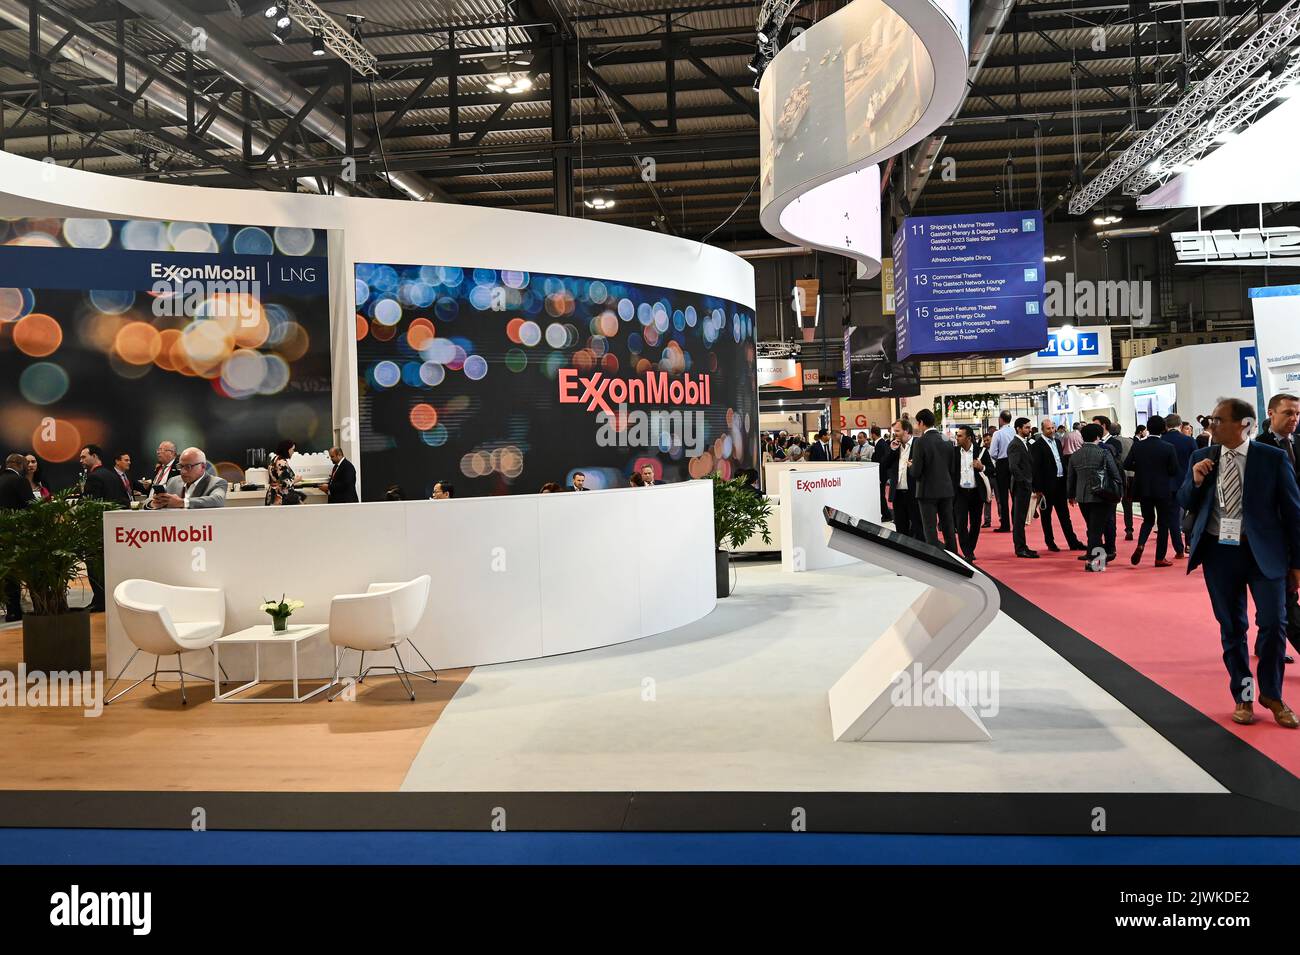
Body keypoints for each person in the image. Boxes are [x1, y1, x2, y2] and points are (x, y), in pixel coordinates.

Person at [1180, 397, 1300, 729]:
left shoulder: (1271, 459)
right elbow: (1184, 500)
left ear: (1243, 424)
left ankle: (1272, 695)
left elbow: (1293, 513)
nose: (1211, 425)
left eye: (1218, 419)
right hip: (1219, 554)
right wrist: (1196, 480)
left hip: (1266, 554)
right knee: (1233, 629)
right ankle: (1244, 695)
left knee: (1275, 624)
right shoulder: (1201, 456)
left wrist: (1297, 563)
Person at [1255, 393, 1300, 662]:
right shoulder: (1259, 448)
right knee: (1284, 597)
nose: (1294, 418)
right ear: (1271, 414)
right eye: (1288, 413)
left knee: (1280, 598)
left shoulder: (1299, 443)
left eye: (1296, 413)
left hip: (1296, 532)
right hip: (1274, 537)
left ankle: (1266, 644)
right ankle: (1273, 644)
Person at [1125, 414, 1181, 567]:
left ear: (1147, 429)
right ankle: (1159, 558)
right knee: (1163, 523)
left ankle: (1141, 544)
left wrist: (1142, 468)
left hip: (1144, 488)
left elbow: (1127, 464)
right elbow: (1174, 470)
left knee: (1148, 520)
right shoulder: (1168, 447)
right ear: (1163, 429)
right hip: (1163, 489)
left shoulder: (1138, 445)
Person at [1068, 423, 1122, 569]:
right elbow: (1115, 475)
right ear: (1098, 436)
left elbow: (1071, 478)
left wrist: (1071, 495)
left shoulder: (1075, 455)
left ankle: (1097, 559)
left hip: (1082, 497)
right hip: (1100, 496)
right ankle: (1092, 562)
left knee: (1092, 528)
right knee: (1096, 530)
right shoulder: (1104, 453)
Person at [1031, 417, 1084, 552]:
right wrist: (1038, 489)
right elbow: (1036, 469)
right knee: (1046, 517)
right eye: (1048, 428)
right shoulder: (1037, 446)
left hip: (1060, 484)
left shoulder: (1058, 442)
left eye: (1053, 428)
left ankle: (1073, 542)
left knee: (1065, 516)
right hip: (1046, 487)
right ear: (1042, 430)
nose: (1052, 430)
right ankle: (1050, 542)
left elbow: (1061, 462)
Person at [908, 408, 957, 551]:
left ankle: (936, 562)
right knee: (948, 527)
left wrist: (911, 466)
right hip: (946, 490)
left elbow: (916, 472)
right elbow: (951, 468)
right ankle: (955, 560)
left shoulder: (920, 442)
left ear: (921, 422)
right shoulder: (947, 440)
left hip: (927, 491)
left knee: (930, 530)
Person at [951, 425, 992, 562]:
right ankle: (967, 551)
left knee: (975, 523)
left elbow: (992, 470)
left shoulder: (981, 452)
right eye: (957, 435)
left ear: (969, 438)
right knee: (961, 523)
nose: (957, 438)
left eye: (960, 436)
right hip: (960, 493)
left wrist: (982, 467)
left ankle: (970, 548)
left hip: (976, 493)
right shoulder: (954, 452)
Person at [1, 453, 31, 621]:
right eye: (26, 463)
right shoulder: (19, 481)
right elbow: (33, 506)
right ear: (19, 464)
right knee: (16, 571)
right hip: (17, 533)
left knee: (6, 572)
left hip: (3, 534)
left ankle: (12, 610)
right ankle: (19, 610)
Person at [1162, 413, 1197, 556]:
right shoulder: (1189, 441)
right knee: (1190, 514)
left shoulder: (1162, 440)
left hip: (1167, 484)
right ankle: (1189, 544)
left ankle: (1179, 549)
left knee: (1173, 518)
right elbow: (1196, 461)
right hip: (1187, 482)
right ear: (1180, 424)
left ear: (1166, 425)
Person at [151, 447, 227, 509]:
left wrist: (182, 502)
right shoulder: (173, 481)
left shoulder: (216, 483)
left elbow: (218, 500)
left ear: (203, 466)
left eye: (188, 467)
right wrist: (154, 503)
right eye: (180, 466)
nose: (183, 471)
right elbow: (149, 501)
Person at [1007, 417, 1039, 559]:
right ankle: (1020, 548)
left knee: (1021, 518)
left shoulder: (1023, 443)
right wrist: (1024, 482)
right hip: (1021, 487)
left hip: (1024, 485)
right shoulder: (1015, 444)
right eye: (1026, 427)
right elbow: (1013, 466)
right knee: (1019, 519)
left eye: (1029, 427)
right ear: (1018, 428)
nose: (1029, 429)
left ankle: (1023, 546)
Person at [885, 418, 920, 539]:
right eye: (894, 431)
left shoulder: (918, 444)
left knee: (918, 527)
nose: (895, 433)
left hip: (914, 493)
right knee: (901, 528)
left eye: (898, 431)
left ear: (907, 431)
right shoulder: (894, 446)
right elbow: (884, 465)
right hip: (898, 494)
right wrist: (892, 450)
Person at [1108, 421, 1136, 541]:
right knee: (1128, 504)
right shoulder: (1130, 440)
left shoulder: (1109, 443)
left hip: (1116, 476)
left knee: (1112, 504)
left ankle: (1112, 529)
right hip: (1130, 475)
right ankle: (1129, 529)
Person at [988, 410, 1015, 532]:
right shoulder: (1014, 431)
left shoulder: (998, 434)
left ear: (1001, 420)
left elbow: (992, 453)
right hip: (1014, 463)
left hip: (1002, 464)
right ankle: (1017, 523)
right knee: (1015, 495)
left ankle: (1005, 524)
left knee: (1003, 497)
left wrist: (998, 458)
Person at [265, 440, 303, 506]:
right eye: (292, 450)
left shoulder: (275, 459)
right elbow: (284, 483)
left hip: (273, 494)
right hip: (280, 497)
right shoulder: (282, 463)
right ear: (287, 450)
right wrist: (295, 480)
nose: (293, 452)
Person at [871, 427, 893, 521]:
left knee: (881, 495)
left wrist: (879, 476)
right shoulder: (882, 443)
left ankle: (886, 515)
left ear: (873, 434)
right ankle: (885, 514)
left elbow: (881, 462)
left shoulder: (880, 444)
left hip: (881, 475)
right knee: (881, 495)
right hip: (883, 474)